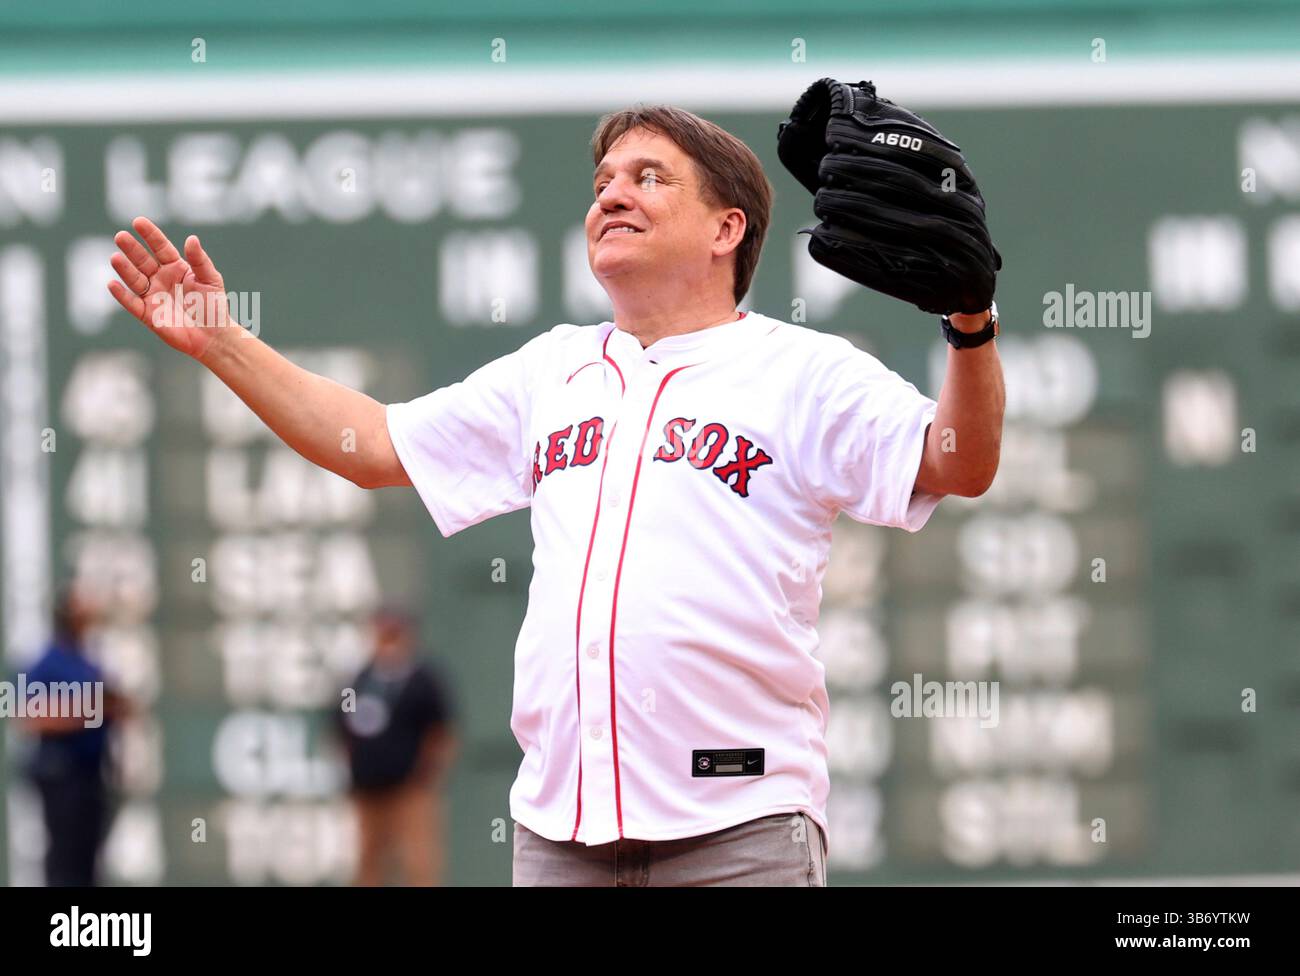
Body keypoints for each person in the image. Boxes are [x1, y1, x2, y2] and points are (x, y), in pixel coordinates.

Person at [107, 103, 1004, 887]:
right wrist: (221, 344)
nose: (613, 193)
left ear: (728, 229)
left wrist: (971, 326)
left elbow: (959, 463)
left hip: (738, 827)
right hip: (557, 835)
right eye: (604, 179)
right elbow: (372, 444)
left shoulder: (802, 371)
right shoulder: (553, 370)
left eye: (650, 177)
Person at [334, 607, 457, 886]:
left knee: (418, 860)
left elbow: (442, 732)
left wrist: (429, 774)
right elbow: (340, 729)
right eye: (384, 634)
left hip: (410, 789)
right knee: (368, 859)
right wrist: (350, 769)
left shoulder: (423, 680)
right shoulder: (359, 681)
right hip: (368, 789)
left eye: (395, 634)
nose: (389, 642)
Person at [19, 586, 124, 886]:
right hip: (62, 772)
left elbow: (113, 707)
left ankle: (87, 929)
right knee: (65, 860)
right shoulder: (49, 662)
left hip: (91, 773)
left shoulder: (87, 663)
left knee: (88, 860)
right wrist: (86, 711)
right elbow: (32, 717)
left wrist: (112, 706)